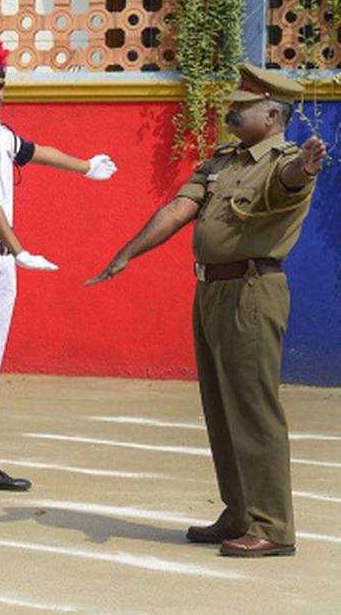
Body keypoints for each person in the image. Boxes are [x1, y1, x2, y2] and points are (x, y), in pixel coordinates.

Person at [88, 64, 325, 557]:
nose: (231, 111)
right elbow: (178, 209)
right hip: (212, 290)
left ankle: (273, 526)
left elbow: (288, 184)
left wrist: (304, 170)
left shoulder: (283, 161)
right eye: (232, 103)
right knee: (220, 406)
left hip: (252, 290)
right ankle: (239, 512)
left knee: (253, 407)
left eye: (242, 106)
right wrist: (128, 253)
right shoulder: (222, 161)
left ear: (273, 114)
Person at [0, 43, 117, 497]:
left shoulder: (1, 134)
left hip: (1, 259)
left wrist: (86, 167)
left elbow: (38, 152)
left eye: (1, 86)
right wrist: (18, 249)